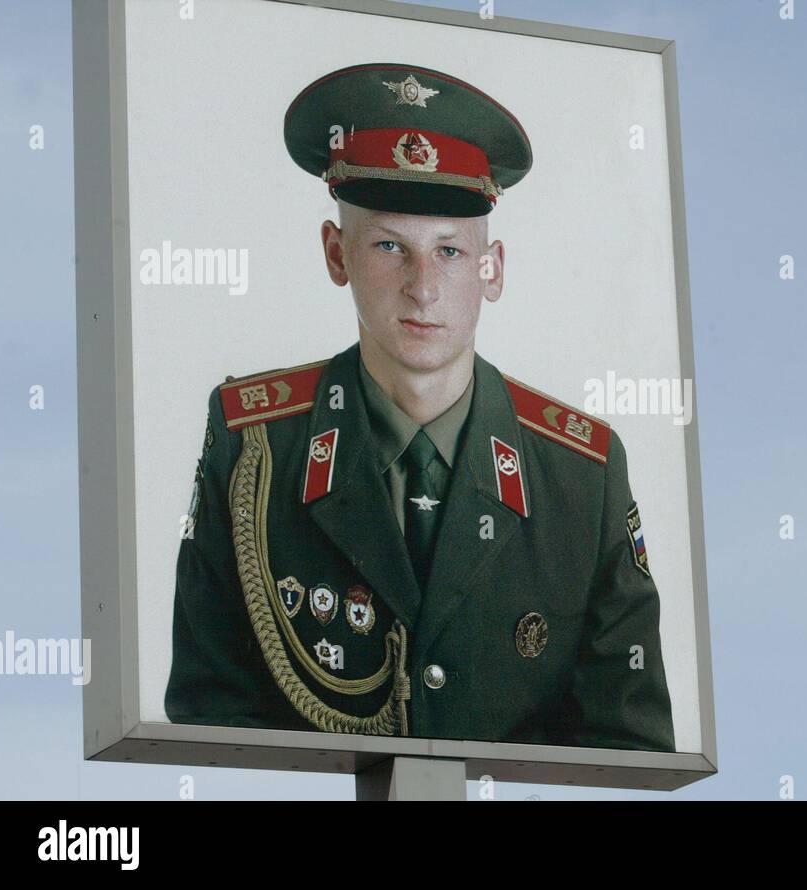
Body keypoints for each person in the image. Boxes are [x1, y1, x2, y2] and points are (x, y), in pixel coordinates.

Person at [164, 62, 676, 752]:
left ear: (492, 268)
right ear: (335, 253)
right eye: (388, 247)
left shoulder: (582, 473)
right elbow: (210, 719)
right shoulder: (253, 444)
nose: (423, 289)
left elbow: (629, 751)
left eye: (450, 252)